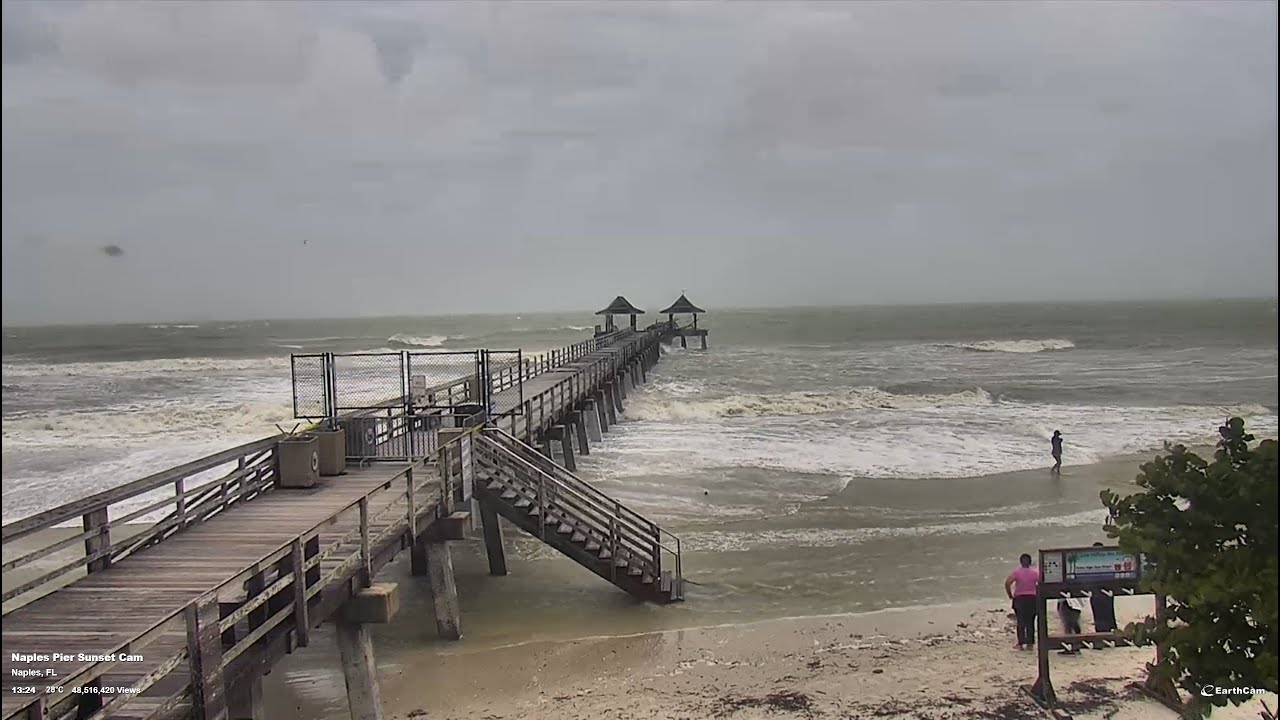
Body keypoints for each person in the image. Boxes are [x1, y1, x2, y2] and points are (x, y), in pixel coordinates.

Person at [1005, 553, 1041, 650]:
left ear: (1020, 562)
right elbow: (1042, 583)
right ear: (1030, 562)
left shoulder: (1017, 572)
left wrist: (1010, 595)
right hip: (1032, 599)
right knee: (1031, 621)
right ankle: (1030, 644)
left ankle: (1020, 644)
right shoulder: (1035, 573)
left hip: (1020, 599)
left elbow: (1008, 582)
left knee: (1020, 621)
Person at [1088, 542, 1119, 632]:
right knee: (1106, 614)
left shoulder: (1091, 563)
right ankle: (1108, 630)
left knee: (1102, 615)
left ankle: (1103, 630)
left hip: (1098, 594)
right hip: (1104, 593)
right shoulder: (1107, 561)